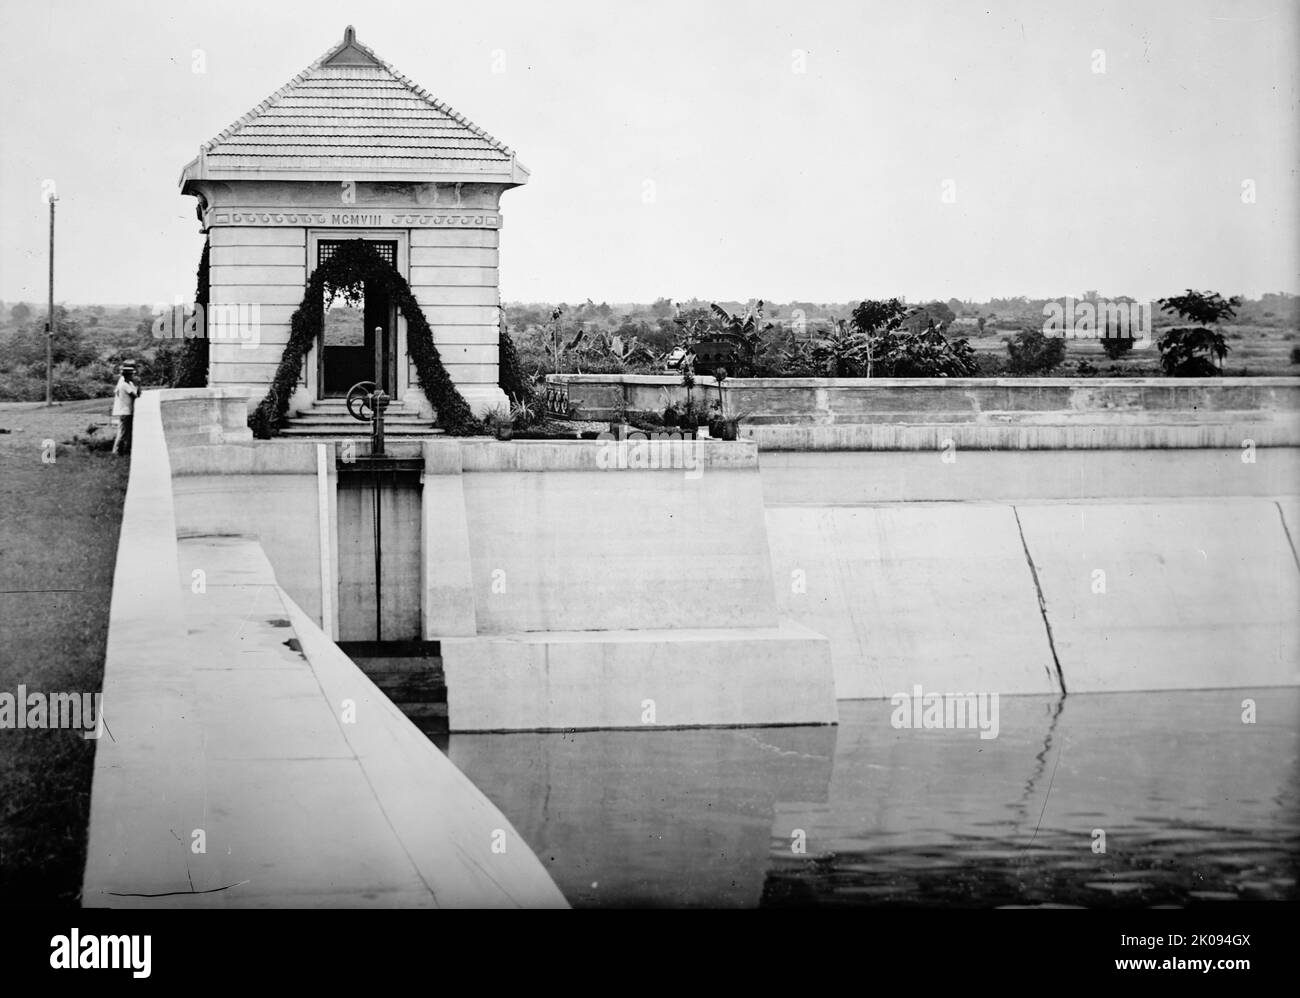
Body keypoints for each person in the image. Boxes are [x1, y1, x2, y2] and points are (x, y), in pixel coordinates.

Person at [111, 362, 140, 456]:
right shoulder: (124, 385)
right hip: (125, 412)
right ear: (128, 375)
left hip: (128, 411)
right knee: (123, 433)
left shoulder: (129, 383)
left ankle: (123, 451)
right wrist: (138, 386)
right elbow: (135, 395)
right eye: (132, 374)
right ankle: (116, 452)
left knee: (126, 432)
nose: (133, 376)